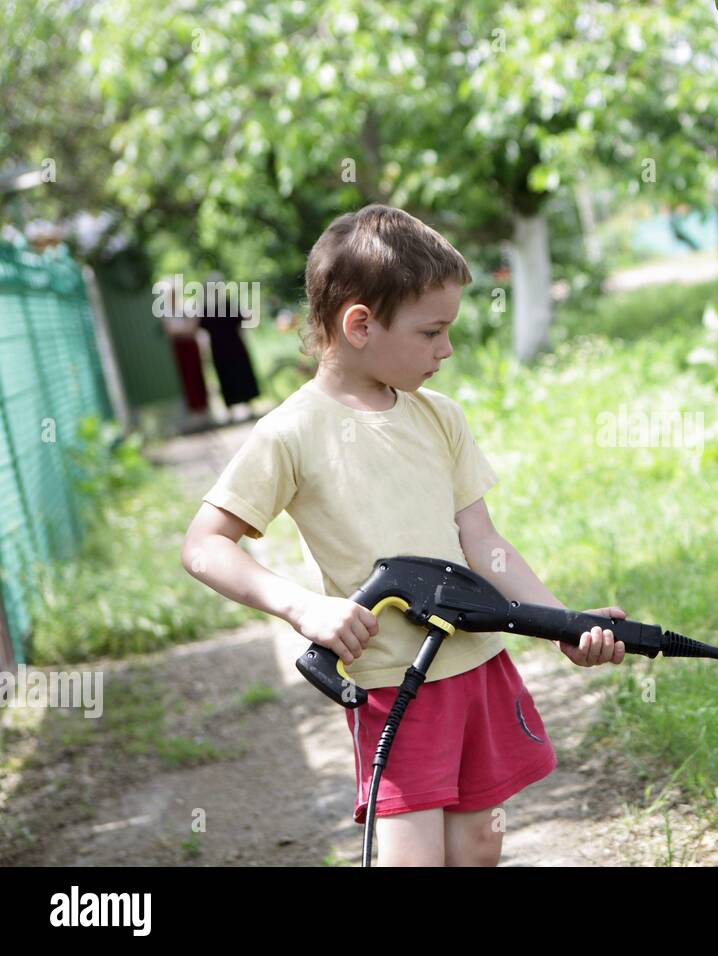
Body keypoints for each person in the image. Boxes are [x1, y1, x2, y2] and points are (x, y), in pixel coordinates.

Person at [179, 205, 626, 866]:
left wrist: (560, 621)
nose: (446, 350)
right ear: (359, 324)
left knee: (478, 845)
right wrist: (303, 607)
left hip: (476, 664)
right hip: (395, 686)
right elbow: (204, 546)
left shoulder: (438, 417)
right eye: (432, 332)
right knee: (413, 857)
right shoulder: (291, 433)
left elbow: (484, 541)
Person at [197, 270, 261, 422]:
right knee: (232, 375)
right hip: (228, 346)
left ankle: (241, 407)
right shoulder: (218, 306)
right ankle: (240, 406)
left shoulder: (216, 306)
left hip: (225, 347)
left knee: (235, 374)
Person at [156, 276, 212, 433]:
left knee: (198, 376)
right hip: (181, 348)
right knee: (187, 378)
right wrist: (184, 330)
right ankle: (194, 412)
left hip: (190, 346)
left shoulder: (186, 306)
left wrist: (184, 330)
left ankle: (204, 409)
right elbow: (171, 330)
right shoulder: (167, 312)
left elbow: (192, 326)